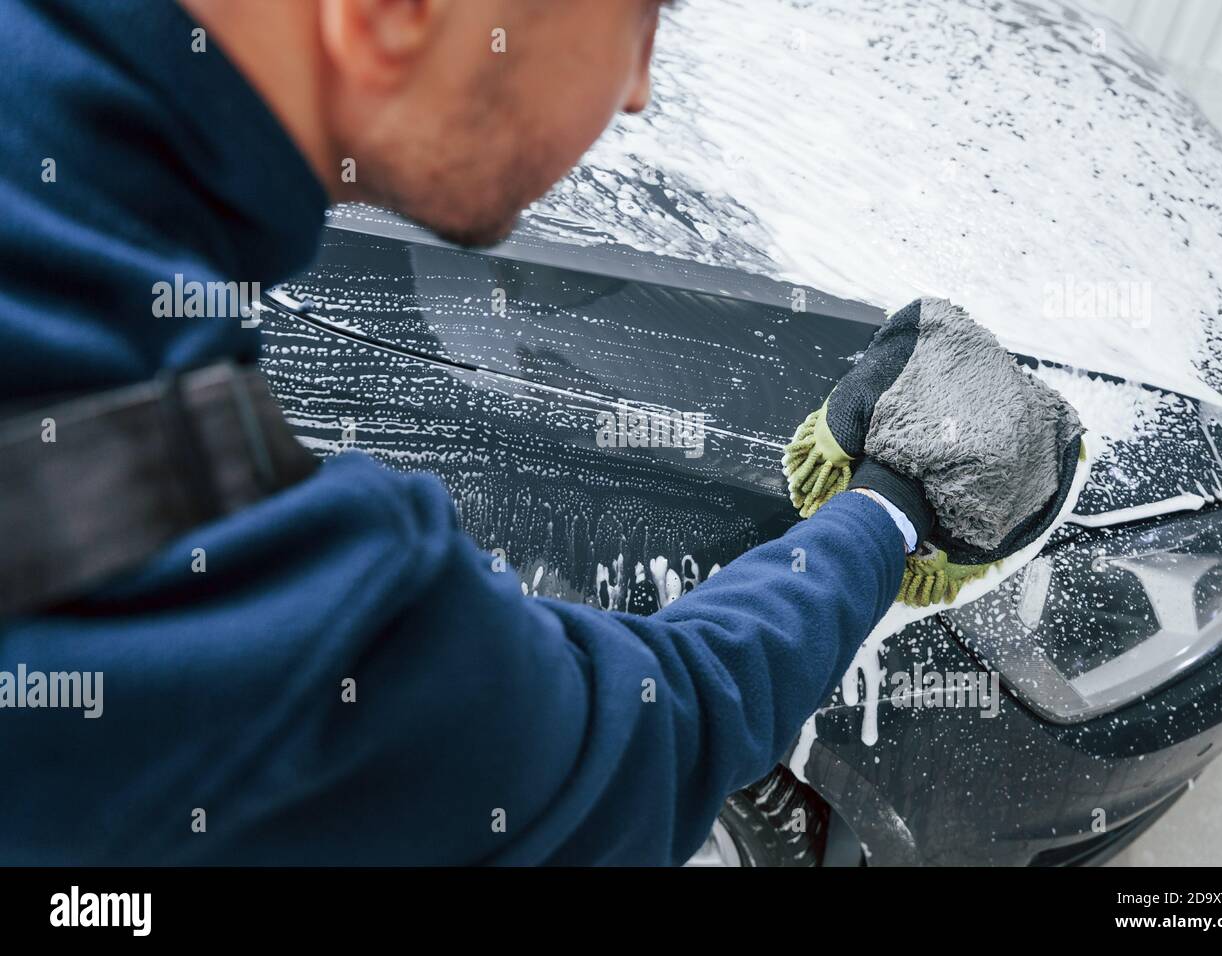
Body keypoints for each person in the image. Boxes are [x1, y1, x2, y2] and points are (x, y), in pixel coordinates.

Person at [0, 0, 1067, 865]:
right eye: (643, 17)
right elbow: (653, 731)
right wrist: (884, 507)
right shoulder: (233, 590)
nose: (641, 87)